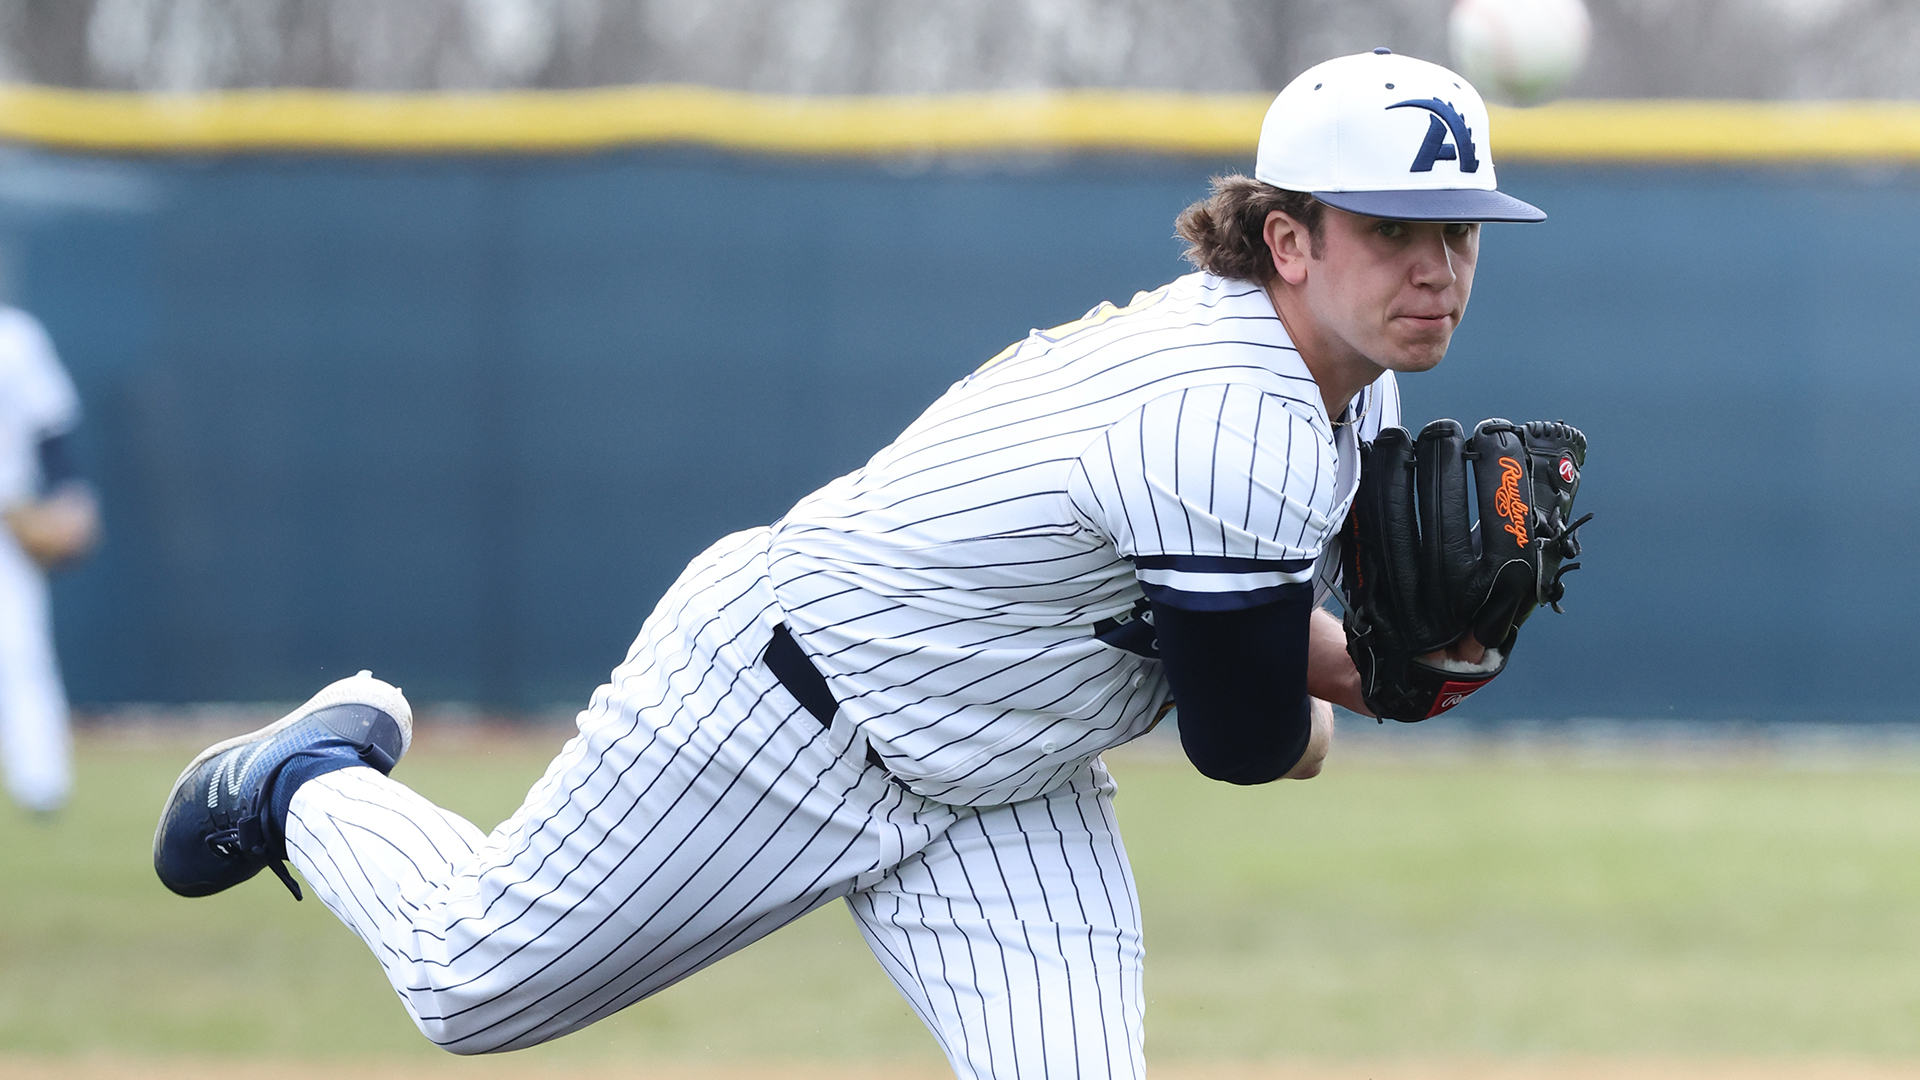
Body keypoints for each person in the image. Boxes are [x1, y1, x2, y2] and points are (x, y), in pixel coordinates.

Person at [155, 49, 1543, 1076]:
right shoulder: (1224, 412)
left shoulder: (1348, 383)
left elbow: (1211, 615)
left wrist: (1388, 672)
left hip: (1003, 775)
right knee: (468, 989)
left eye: (1457, 231)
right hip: (780, 712)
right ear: (1288, 241)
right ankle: (306, 782)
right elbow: (1243, 734)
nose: (1437, 268)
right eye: (1391, 230)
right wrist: (1386, 689)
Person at [0, 304, 99, 815]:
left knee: (19, 651)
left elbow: (51, 426)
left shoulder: (13, 337)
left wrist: (69, 495)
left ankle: (41, 785)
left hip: (7, 521)